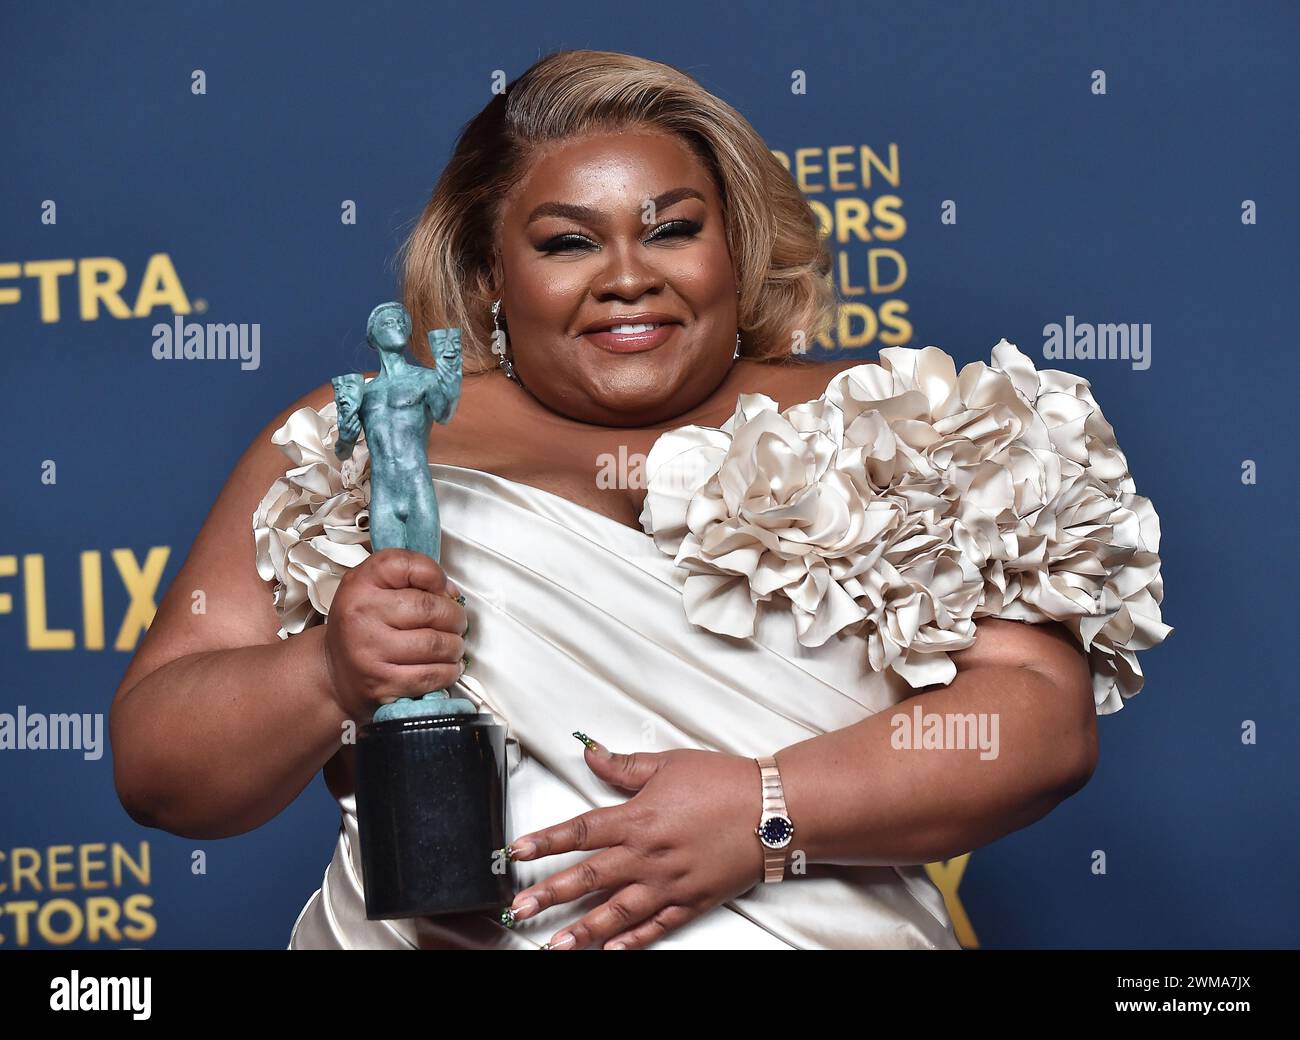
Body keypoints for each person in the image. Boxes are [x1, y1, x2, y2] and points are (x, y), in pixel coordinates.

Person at [109, 49, 1160, 950]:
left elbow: (1035, 722)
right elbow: (161, 769)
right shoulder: (362, 439)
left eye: (670, 230)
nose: (625, 276)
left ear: (733, 248)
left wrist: (763, 810)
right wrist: (324, 666)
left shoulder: (897, 423)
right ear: (488, 275)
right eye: (567, 241)